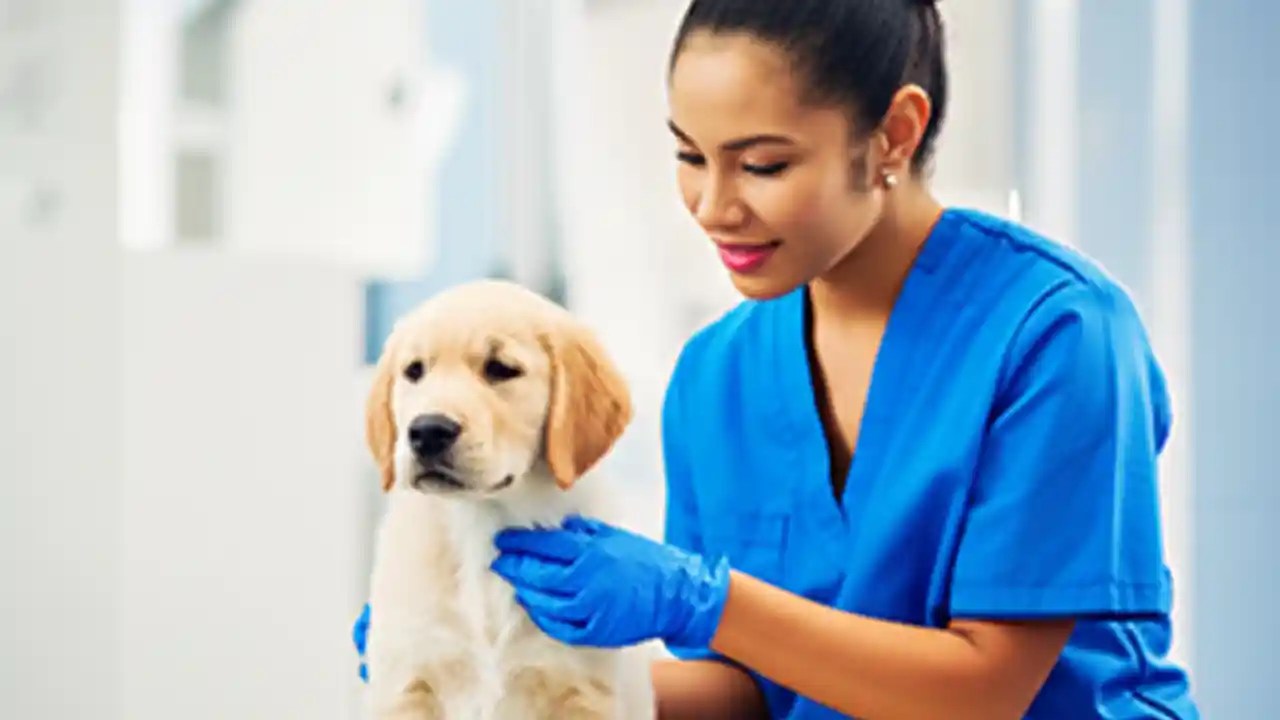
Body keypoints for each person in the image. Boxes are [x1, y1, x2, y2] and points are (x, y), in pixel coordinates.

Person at [355, 0, 1200, 717]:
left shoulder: (1058, 336)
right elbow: (753, 687)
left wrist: (703, 600)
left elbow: (982, 693)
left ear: (895, 135)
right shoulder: (716, 377)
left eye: (763, 164)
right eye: (689, 156)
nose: (713, 207)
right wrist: (500, 660)